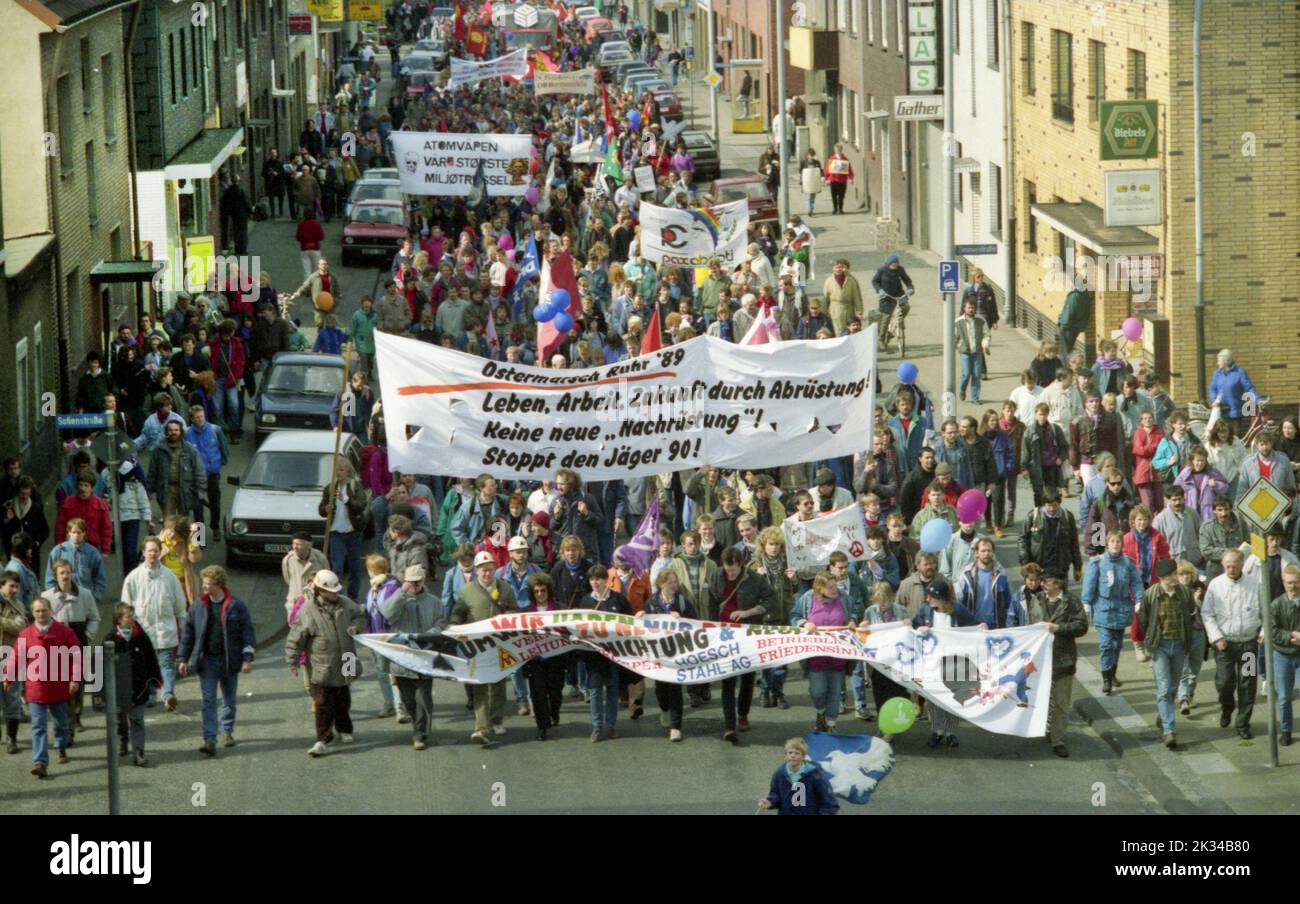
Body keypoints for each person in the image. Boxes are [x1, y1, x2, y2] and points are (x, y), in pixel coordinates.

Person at [285, 569, 365, 757]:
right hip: (321, 664)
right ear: (320, 590)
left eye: (337, 590)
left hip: (347, 658)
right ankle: (322, 739)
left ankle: (345, 728)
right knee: (322, 702)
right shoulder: (307, 610)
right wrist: (292, 661)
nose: (335, 594)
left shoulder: (346, 603)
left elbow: (360, 614)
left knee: (343, 697)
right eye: (331, 591)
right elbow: (296, 637)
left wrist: (357, 626)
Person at [177, 566, 256, 756]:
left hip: (230, 661)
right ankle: (209, 739)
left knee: (229, 700)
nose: (204, 587)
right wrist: (182, 658)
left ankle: (227, 730)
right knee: (208, 701)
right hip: (207, 661)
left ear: (219, 585)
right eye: (203, 583)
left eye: (208, 584)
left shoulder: (237, 606)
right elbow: (188, 634)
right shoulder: (198, 606)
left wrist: (247, 659)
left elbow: (247, 633)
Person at [3, 597, 80, 778]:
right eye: (37, 611)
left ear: (50, 611)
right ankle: (40, 762)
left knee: (61, 724)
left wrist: (75, 678)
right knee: (38, 726)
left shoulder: (65, 632)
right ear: (33, 613)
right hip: (35, 687)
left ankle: (61, 746)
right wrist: (8, 677)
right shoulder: (26, 634)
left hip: (58, 687)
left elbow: (76, 655)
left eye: (44, 610)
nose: (40, 614)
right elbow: (16, 657)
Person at [708, 547, 773, 741]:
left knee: (747, 678)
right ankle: (729, 725)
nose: (730, 574)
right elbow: (711, 602)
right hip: (724, 635)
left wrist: (749, 612)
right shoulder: (716, 576)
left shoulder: (754, 578)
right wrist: (712, 628)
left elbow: (772, 600)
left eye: (734, 571)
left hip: (747, 635)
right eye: (727, 571)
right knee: (727, 679)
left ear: (741, 565)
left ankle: (743, 714)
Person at [452, 551, 516, 745]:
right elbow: (458, 612)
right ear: (477, 571)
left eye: (490, 570)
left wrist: (506, 619)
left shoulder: (505, 589)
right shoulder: (466, 591)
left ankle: (496, 719)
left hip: (499, 644)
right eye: (483, 570)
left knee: (498, 684)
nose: (487, 574)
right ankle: (481, 727)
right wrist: (454, 625)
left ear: (494, 569)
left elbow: (513, 612)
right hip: (477, 646)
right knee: (479, 685)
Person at [381, 564, 447, 750]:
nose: (415, 586)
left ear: (423, 581)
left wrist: (429, 635)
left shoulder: (434, 601)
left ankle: (420, 733)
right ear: (405, 582)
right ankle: (416, 725)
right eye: (411, 582)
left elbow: (442, 621)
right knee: (408, 698)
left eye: (418, 582)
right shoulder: (398, 599)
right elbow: (387, 615)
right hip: (402, 658)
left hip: (424, 657)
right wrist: (402, 593)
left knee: (423, 698)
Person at [1026, 570, 1088, 757]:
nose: (1043, 584)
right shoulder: (1037, 599)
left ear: (1058, 584)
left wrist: (1059, 628)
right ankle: (1045, 728)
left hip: (1063, 659)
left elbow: (1082, 626)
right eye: (1042, 581)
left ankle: (1057, 739)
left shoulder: (1071, 602)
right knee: (1042, 699)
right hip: (1041, 660)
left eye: (1047, 581)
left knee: (1061, 702)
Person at [1201, 549, 1262, 740]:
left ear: (1242, 564)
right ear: (1222, 564)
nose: (1231, 568)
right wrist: (1216, 637)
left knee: (1248, 684)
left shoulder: (1255, 584)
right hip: (1224, 645)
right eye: (1227, 565)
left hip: (1249, 644)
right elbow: (1207, 613)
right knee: (1224, 682)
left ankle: (1243, 722)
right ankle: (1227, 708)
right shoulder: (1215, 585)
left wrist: (1263, 633)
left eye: (1234, 564)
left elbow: (1266, 611)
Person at [122, 536, 188, 711]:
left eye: (156, 550)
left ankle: (168, 695)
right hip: (142, 631)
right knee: (145, 665)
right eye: (149, 550)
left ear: (160, 553)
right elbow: (125, 607)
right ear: (144, 552)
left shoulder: (170, 578)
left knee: (166, 663)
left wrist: (184, 628)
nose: (152, 554)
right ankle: (150, 694)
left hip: (165, 630)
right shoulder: (133, 577)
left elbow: (180, 606)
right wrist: (126, 630)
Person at [1138, 559, 1195, 749]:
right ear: (1162, 578)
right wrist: (1149, 642)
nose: (1175, 578)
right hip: (1160, 646)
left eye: (1175, 574)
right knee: (1163, 688)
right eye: (1171, 575)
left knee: (1173, 687)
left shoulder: (1185, 593)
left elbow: (1190, 615)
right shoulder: (1151, 594)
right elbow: (1144, 619)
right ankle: (1169, 730)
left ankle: (1163, 714)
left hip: (1179, 645)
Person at [912, 577, 975, 748]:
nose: (928, 599)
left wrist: (981, 627)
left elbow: (973, 626)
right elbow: (913, 627)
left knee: (952, 697)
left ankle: (951, 732)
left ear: (942, 598)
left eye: (932, 597)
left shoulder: (958, 610)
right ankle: (937, 731)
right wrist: (918, 629)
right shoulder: (925, 611)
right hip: (933, 662)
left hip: (954, 662)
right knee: (935, 698)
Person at [790, 571, 852, 733]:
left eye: (835, 585)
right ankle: (820, 712)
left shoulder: (843, 597)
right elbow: (794, 616)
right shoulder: (808, 598)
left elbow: (853, 615)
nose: (834, 589)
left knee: (835, 692)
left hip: (838, 655)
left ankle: (831, 724)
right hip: (816, 656)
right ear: (820, 588)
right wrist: (804, 623)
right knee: (818, 691)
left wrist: (852, 621)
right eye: (830, 587)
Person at [1081, 530, 1143, 695]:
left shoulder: (1128, 563)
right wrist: (1086, 603)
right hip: (1103, 608)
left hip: (1121, 608)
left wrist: (1139, 600)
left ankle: (1112, 673)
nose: (1116, 544)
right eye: (1113, 541)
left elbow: (1136, 583)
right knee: (1106, 645)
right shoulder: (1098, 563)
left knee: (1117, 645)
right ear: (1107, 544)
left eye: (1118, 542)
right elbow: (1089, 584)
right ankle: (1106, 679)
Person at [576, 565, 632, 743]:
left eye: (598, 578)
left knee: (613, 689)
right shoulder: (585, 601)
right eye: (592, 579)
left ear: (606, 580)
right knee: (595, 690)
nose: (594, 582)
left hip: (615, 653)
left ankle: (610, 725)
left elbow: (630, 621)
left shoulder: (618, 599)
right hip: (594, 654)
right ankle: (597, 726)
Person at [107, 602, 163, 767]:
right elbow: (102, 666)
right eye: (128, 616)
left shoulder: (140, 635)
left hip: (139, 687)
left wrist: (156, 679)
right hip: (119, 689)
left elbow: (151, 657)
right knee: (120, 720)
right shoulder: (110, 638)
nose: (132, 619)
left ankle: (138, 752)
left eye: (133, 616)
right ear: (118, 619)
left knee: (137, 720)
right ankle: (123, 740)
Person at [320, 459, 369, 600]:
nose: (338, 473)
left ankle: (352, 598)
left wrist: (347, 500)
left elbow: (361, 505)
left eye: (341, 470)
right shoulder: (330, 488)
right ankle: (338, 597)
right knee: (337, 568)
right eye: (337, 470)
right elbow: (321, 509)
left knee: (355, 568)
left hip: (353, 533)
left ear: (348, 471)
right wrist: (325, 509)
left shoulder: (355, 486)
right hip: (336, 533)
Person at [757, 736, 839, 815]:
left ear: (803, 756)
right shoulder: (780, 774)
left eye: (797, 753)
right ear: (785, 755)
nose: (793, 756)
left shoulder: (815, 775)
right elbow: (775, 794)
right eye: (790, 753)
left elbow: (830, 803)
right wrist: (770, 802)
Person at [185, 405, 229, 540]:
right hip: (196, 477)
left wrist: (219, 464)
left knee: (215, 503)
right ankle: (199, 536)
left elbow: (224, 448)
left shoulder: (215, 430)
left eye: (202, 416)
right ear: (192, 419)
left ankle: (215, 528)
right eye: (197, 417)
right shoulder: (187, 433)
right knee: (197, 507)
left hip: (212, 475)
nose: (200, 419)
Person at [1269, 565, 1300, 746]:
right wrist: (1291, 637)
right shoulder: (1276, 604)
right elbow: (1272, 631)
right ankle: (1286, 730)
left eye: (1295, 582)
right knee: (1284, 697)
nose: (1293, 586)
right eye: (1289, 583)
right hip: (1283, 654)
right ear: (1283, 582)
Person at [147, 419, 204, 520]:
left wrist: (200, 489)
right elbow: (152, 471)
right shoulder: (159, 450)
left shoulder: (190, 450)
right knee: (168, 522)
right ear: (166, 432)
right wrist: (149, 490)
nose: (173, 432)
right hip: (166, 489)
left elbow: (199, 470)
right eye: (170, 430)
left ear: (181, 431)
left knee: (183, 523)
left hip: (186, 489)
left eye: (176, 430)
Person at [0, 571, 29, 753]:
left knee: (12, 700)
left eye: (17, 587)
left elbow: (20, 625)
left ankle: (12, 738)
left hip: (11, 657)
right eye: (11, 586)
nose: (14, 590)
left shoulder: (18, 605)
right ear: (1, 586)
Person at [1199, 494, 1247, 582]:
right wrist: (1230, 554)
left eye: (1226, 509)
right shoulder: (1207, 527)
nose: (1223, 513)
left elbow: (1248, 543)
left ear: (1230, 509)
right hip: (1216, 570)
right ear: (1214, 511)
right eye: (1220, 510)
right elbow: (1205, 551)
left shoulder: (1240, 524)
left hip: (1237, 570)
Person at [1208, 349, 1258, 434]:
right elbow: (1212, 389)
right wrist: (1214, 400)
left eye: (1219, 361)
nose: (1217, 363)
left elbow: (1249, 388)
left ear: (1226, 361)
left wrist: (1258, 400)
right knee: (1221, 437)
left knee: (1234, 438)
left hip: (1235, 413)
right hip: (1220, 412)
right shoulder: (1217, 374)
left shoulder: (1239, 373)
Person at [954, 298, 990, 403]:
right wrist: (957, 346)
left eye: (973, 308)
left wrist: (985, 344)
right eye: (969, 307)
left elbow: (986, 334)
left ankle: (975, 398)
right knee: (966, 373)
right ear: (964, 308)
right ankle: (962, 390)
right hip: (964, 351)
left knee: (976, 375)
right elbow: (954, 337)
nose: (971, 310)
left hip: (977, 351)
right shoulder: (958, 322)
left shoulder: (981, 320)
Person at [821, 259, 864, 338]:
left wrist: (859, 311)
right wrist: (823, 314)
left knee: (850, 331)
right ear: (833, 269)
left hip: (848, 309)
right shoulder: (829, 281)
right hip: (835, 310)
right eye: (836, 268)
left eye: (840, 267)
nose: (838, 270)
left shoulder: (851, 281)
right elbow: (825, 299)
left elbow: (856, 297)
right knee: (838, 331)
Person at [1056, 282, 1093, 358]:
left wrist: (1063, 325)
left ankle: (1065, 368)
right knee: (1069, 349)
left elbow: (1069, 312)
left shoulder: (1074, 296)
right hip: (1076, 327)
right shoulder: (1086, 296)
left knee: (1065, 351)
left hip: (1068, 327)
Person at [823, 144, 854, 214]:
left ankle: (840, 209)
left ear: (841, 150)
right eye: (837, 149)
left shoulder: (845, 159)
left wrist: (850, 178)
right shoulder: (831, 159)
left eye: (839, 149)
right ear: (835, 150)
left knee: (841, 196)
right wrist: (827, 178)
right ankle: (835, 209)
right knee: (834, 196)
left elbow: (849, 170)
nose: (838, 151)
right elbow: (827, 170)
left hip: (842, 181)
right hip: (833, 180)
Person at [800, 150, 824, 216]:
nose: (811, 157)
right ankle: (809, 210)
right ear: (807, 155)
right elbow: (801, 171)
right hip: (807, 182)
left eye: (812, 155)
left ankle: (811, 209)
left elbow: (820, 170)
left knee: (813, 196)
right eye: (810, 155)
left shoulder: (817, 162)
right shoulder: (804, 162)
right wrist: (802, 179)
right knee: (808, 196)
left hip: (814, 182)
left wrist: (822, 176)